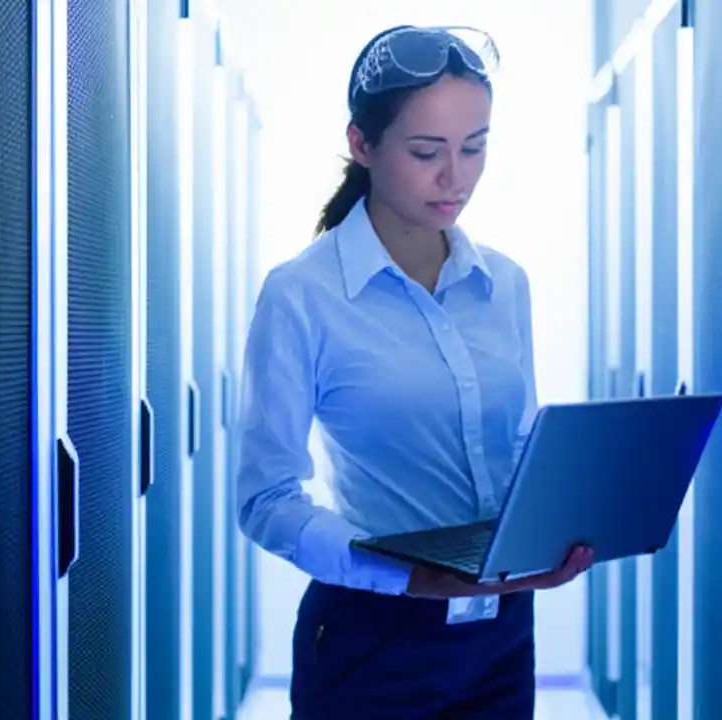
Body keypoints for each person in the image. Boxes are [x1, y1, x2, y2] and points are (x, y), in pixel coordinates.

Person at [235, 24, 594, 719]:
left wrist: (556, 527)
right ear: (362, 145)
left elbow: (518, 452)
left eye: (475, 147)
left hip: (501, 635)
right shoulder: (303, 295)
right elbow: (265, 498)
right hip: (371, 640)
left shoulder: (505, 285)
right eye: (427, 151)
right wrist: (404, 575)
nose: (455, 177)